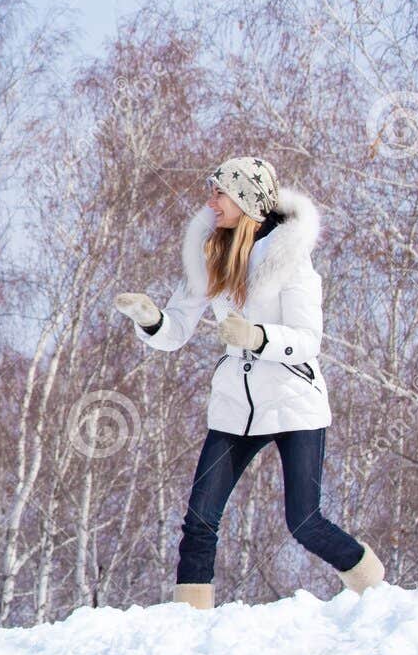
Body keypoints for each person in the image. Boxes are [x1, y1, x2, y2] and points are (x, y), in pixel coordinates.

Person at [115, 157, 385, 609]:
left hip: (294, 403)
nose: (210, 202)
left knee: (304, 521)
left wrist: (257, 337)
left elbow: (307, 340)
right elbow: (176, 330)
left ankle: (371, 584)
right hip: (235, 408)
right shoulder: (211, 255)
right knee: (200, 519)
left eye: (220, 192)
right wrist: (149, 318)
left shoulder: (291, 260)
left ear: (246, 200)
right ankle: (188, 620)